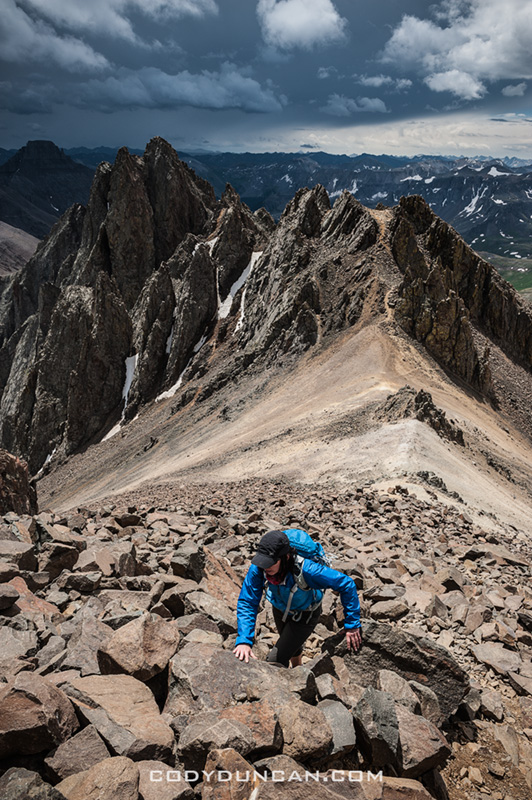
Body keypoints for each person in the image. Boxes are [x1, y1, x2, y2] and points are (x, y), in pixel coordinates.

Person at [233, 529, 362, 667]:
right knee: (290, 645)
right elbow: (248, 601)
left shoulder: (307, 569)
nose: (265, 567)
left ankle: (296, 674)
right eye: (263, 561)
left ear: (286, 557)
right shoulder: (259, 567)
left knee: (274, 660)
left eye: (270, 562)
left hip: (305, 614)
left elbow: (346, 584)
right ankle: (298, 669)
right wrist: (244, 640)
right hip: (280, 608)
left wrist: (352, 625)